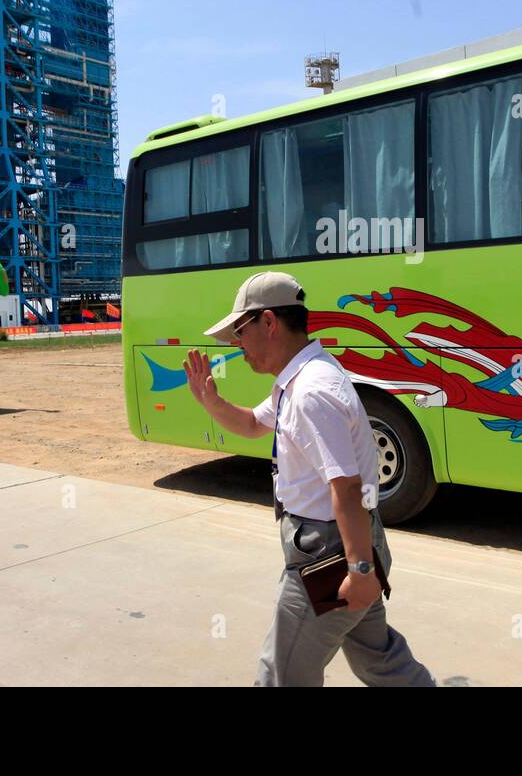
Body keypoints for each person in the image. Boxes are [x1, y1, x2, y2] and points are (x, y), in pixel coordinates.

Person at [183, 270, 436, 687]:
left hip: (329, 559)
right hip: (349, 549)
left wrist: (357, 570)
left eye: (239, 331)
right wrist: (212, 402)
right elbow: (250, 424)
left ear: (269, 323)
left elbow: (347, 488)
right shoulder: (300, 378)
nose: (236, 345)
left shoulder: (311, 392)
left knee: (281, 675)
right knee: (380, 662)